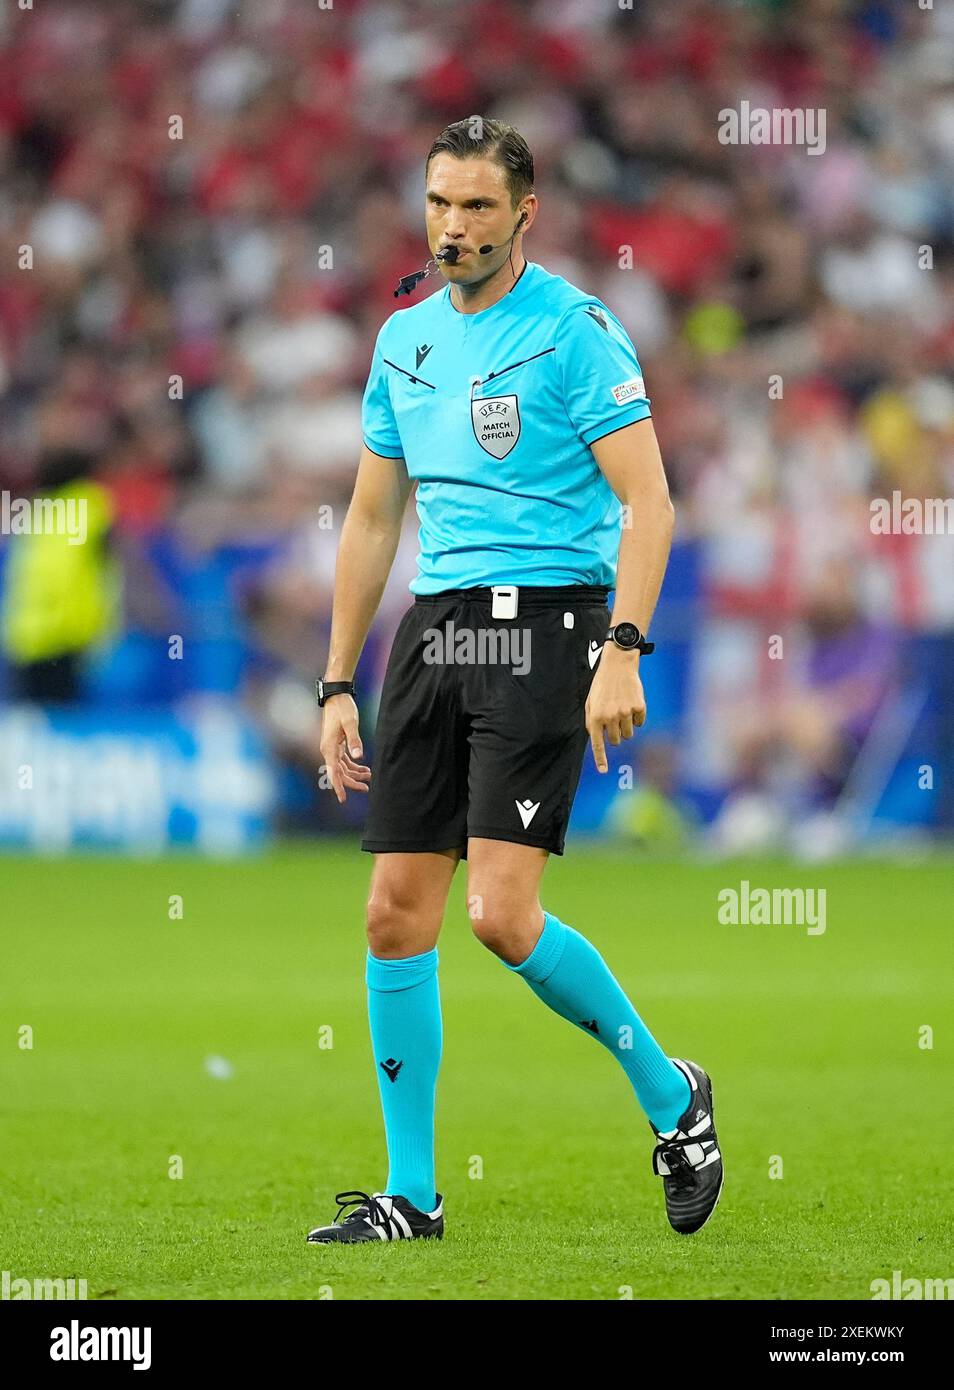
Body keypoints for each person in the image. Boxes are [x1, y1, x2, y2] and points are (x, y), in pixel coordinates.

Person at [307, 118, 722, 1244]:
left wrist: (623, 646)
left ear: (523, 216)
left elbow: (651, 500)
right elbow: (373, 516)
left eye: (478, 207)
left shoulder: (577, 332)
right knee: (395, 915)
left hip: (547, 628)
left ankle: (675, 1102)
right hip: (435, 636)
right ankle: (412, 1194)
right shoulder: (404, 340)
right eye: (440, 203)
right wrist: (336, 681)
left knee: (498, 914)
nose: (452, 226)